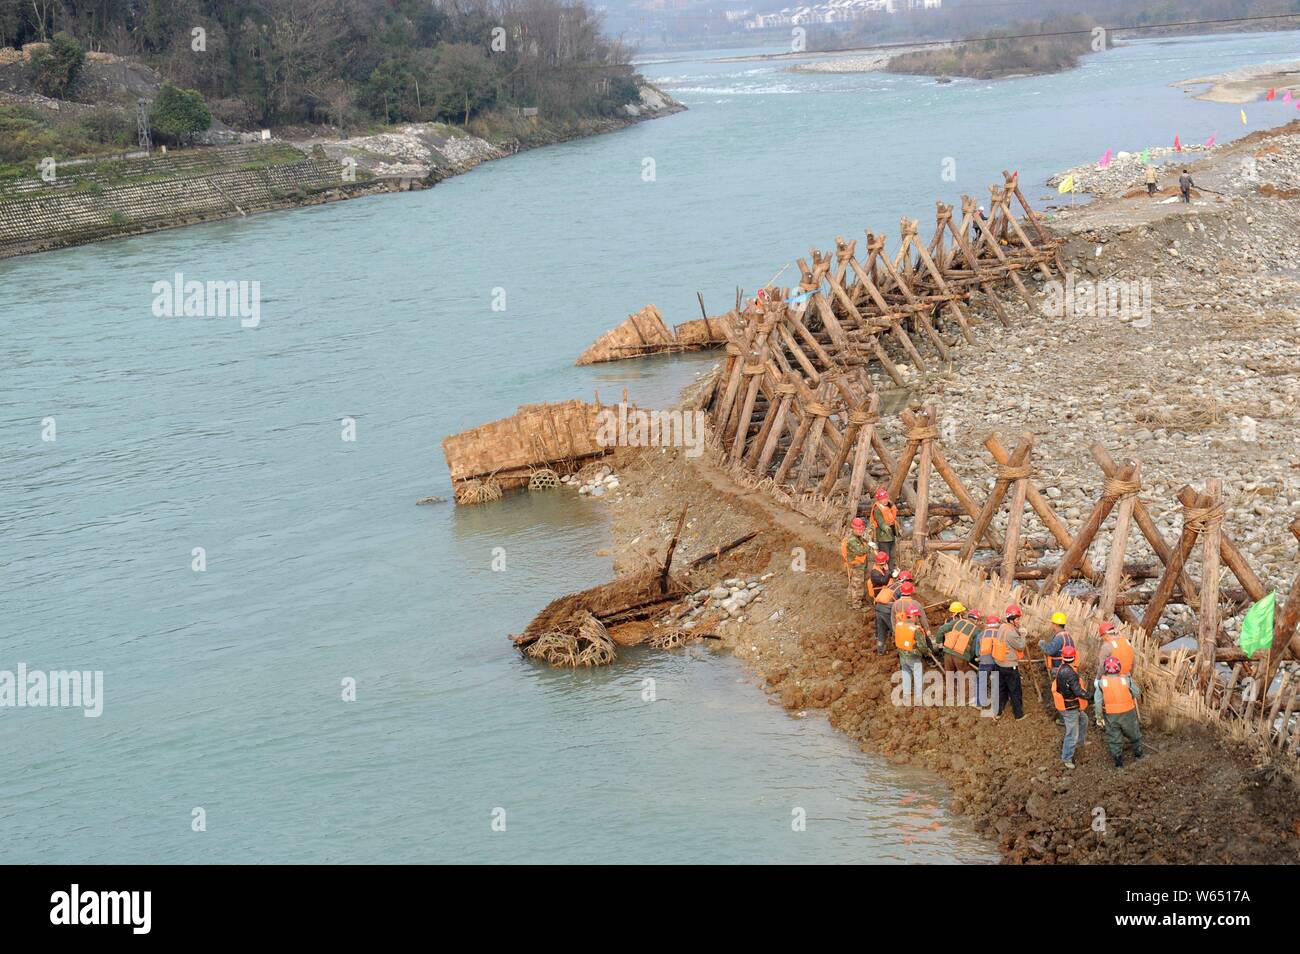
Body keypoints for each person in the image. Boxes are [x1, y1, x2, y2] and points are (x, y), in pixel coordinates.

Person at [1093, 655, 1143, 768]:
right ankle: (1139, 755)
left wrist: (1099, 717)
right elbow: (1137, 692)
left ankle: (1119, 763)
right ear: (1118, 667)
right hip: (1128, 713)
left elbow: (1097, 703)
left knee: (1114, 737)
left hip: (1111, 715)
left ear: (1106, 669)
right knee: (1134, 733)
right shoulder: (1126, 679)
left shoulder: (1101, 683)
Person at [1051, 645, 1089, 769]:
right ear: (1074, 657)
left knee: (1084, 720)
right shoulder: (1070, 674)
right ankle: (1067, 758)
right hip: (1070, 707)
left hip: (1068, 704)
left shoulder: (1062, 668)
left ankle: (1081, 742)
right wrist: (1090, 696)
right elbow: (1078, 692)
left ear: (1063, 657)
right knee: (1072, 733)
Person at [1037, 611, 1076, 720]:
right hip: (1068, 668)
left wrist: (1042, 643)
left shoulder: (1059, 638)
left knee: (1060, 693)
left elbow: (1049, 651)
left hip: (1059, 668)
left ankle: (1063, 717)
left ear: (1055, 624)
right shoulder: (1068, 636)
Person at [994, 604, 1027, 720]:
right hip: (1009, 666)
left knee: (1001, 689)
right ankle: (1019, 715)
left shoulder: (1002, 627)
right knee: (1015, 690)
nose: (1019, 621)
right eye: (1017, 619)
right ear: (1011, 620)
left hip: (999, 663)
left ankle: (998, 712)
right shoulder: (1012, 633)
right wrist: (1023, 635)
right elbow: (1021, 646)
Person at [895, 603, 930, 705]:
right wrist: (927, 652)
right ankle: (919, 698)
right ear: (913, 616)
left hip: (902, 656)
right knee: (918, 676)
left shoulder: (900, 625)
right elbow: (922, 646)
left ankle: (906, 695)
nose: (918, 619)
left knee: (906, 674)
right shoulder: (916, 630)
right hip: (913, 657)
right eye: (917, 617)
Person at [841, 517, 874, 609]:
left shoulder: (857, 538)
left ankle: (849, 602)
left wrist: (867, 542)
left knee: (853, 585)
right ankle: (857, 605)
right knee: (858, 586)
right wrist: (869, 546)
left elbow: (863, 542)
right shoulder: (852, 540)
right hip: (856, 566)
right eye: (859, 529)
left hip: (858, 565)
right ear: (853, 529)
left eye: (862, 529)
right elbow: (860, 551)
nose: (861, 531)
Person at [938, 605, 982, 673]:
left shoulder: (957, 621)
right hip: (961, 656)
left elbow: (941, 629)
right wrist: (969, 658)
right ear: (976, 620)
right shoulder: (977, 630)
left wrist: (939, 643)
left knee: (949, 675)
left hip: (947, 652)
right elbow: (973, 648)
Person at [976, 614, 1002, 710]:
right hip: (998, 662)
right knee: (997, 682)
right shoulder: (1001, 634)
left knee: (981, 681)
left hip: (984, 663)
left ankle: (979, 703)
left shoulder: (981, 634)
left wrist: (981, 657)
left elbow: (977, 652)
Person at [869, 488, 898, 564]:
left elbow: (893, 515)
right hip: (883, 536)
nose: (885, 500)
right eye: (882, 499)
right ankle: (885, 571)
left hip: (891, 534)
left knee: (892, 555)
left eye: (886, 498)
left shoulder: (889, 505)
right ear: (879, 500)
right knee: (885, 555)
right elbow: (880, 522)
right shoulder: (877, 509)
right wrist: (886, 528)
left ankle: (892, 570)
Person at [873, 571, 899, 654]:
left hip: (878, 608)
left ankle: (880, 650)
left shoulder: (892, 585)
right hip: (886, 611)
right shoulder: (901, 587)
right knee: (896, 629)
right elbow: (901, 604)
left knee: (881, 630)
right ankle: (901, 649)